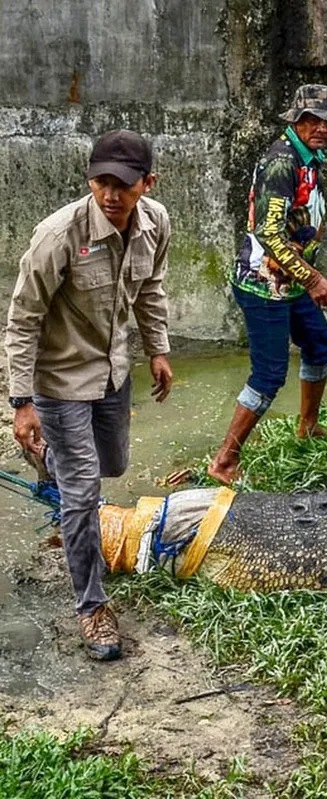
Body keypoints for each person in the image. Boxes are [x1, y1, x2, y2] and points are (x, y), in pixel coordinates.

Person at [5, 129, 173, 661]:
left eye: (124, 184)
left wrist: (158, 351)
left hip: (113, 374)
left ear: (147, 183)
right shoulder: (59, 235)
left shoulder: (155, 225)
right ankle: (92, 607)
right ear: (90, 179)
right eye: (102, 181)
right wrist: (21, 402)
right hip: (59, 381)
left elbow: (150, 288)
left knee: (114, 463)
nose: (111, 195)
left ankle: (48, 456)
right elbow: (22, 319)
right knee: (82, 491)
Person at [208, 84, 327, 484]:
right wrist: (314, 278)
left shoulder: (309, 157)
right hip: (264, 284)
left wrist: (305, 278)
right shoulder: (281, 162)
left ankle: (307, 428)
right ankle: (223, 462)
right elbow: (270, 233)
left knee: (320, 346)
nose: (322, 128)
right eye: (313, 120)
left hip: (290, 282)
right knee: (269, 375)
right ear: (297, 121)